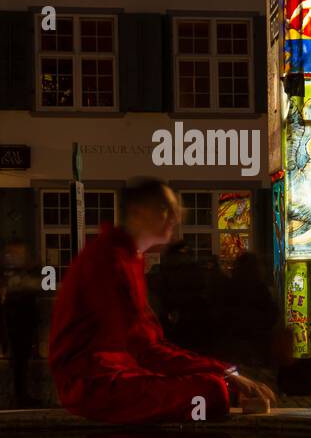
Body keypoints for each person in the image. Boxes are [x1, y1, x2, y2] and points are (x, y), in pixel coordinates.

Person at [49, 178, 275, 423]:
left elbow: (148, 341)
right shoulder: (110, 261)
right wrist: (225, 373)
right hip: (92, 383)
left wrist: (224, 371)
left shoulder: (128, 257)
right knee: (211, 391)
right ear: (138, 212)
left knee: (213, 385)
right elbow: (143, 347)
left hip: (110, 372)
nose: (175, 218)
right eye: (166, 209)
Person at [1, 242, 43, 406]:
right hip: (18, 325)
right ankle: (20, 396)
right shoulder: (16, 278)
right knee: (19, 362)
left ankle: (20, 395)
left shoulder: (22, 275)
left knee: (21, 362)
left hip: (22, 323)